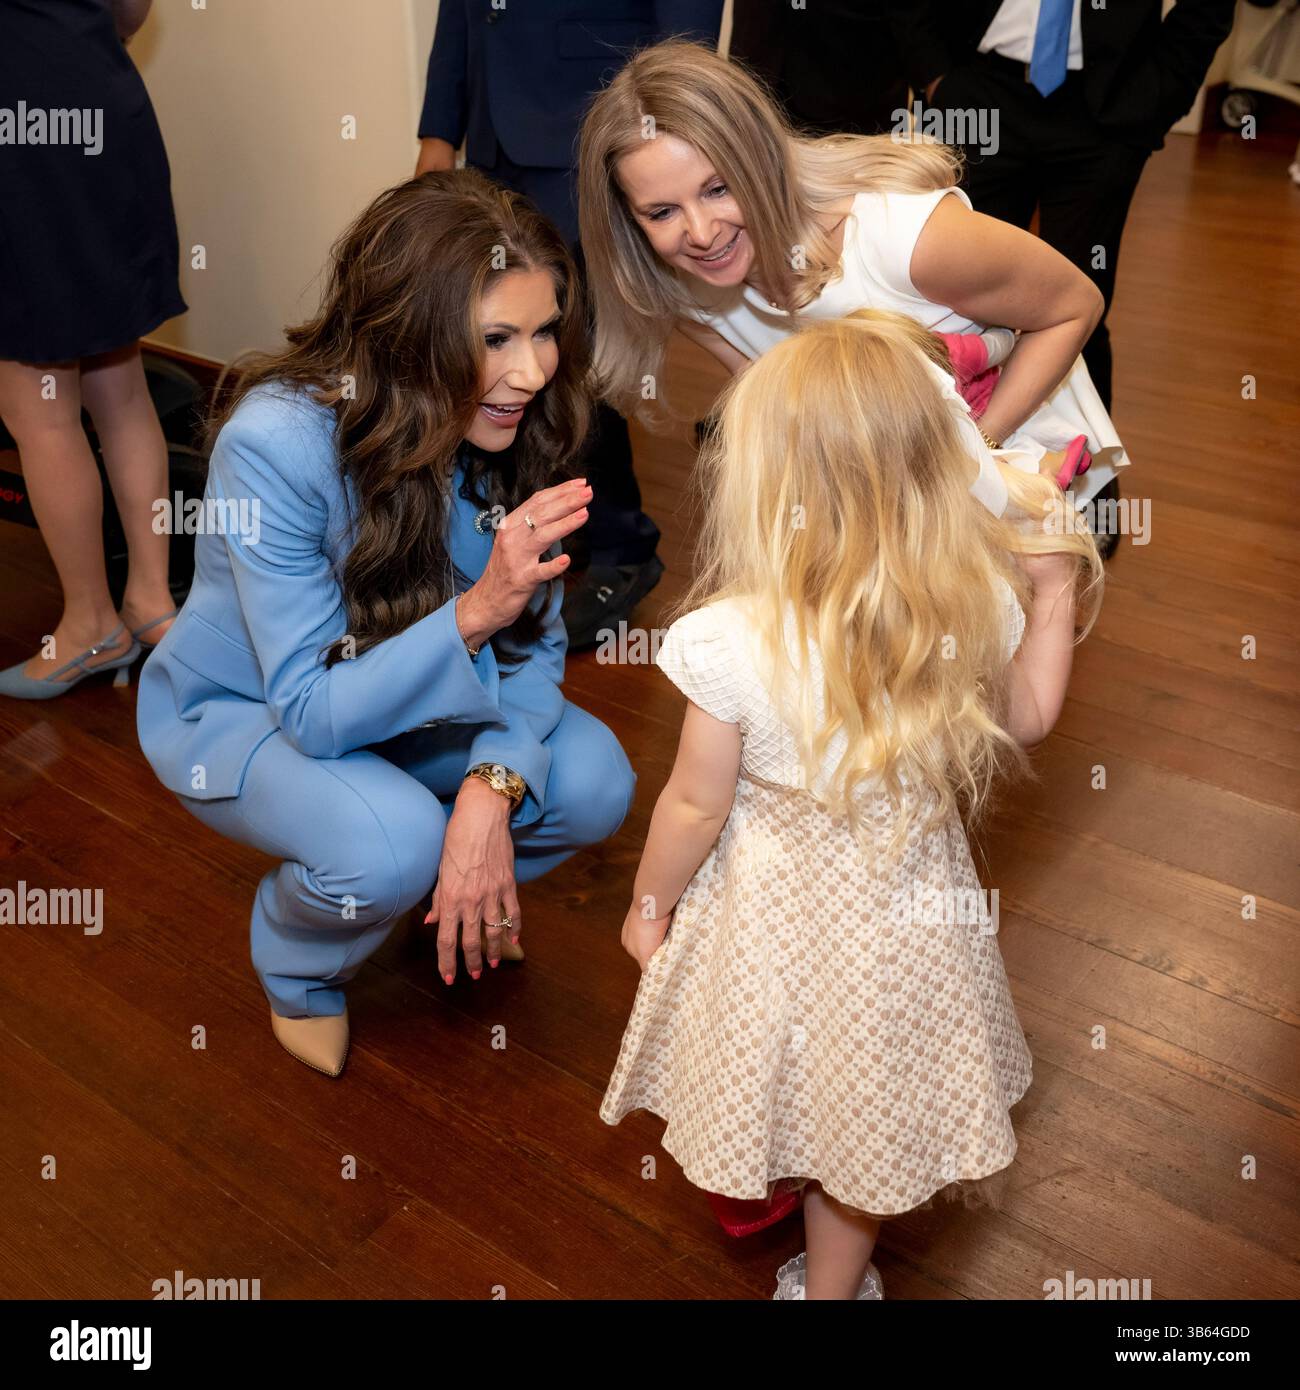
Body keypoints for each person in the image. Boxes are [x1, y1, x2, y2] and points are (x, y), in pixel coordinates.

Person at [600, 309, 1103, 1299]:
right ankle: (829, 1290)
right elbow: (1033, 716)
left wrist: (648, 904)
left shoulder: (728, 640)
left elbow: (695, 808)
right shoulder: (967, 611)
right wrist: (1048, 597)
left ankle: (775, 1173)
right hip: (910, 925)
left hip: (772, 920)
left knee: (778, 1071)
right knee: (861, 1108)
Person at [136, 171, 635, 1078]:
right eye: (495, 340)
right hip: (250, 713)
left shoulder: (517, 420)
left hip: (412, 695)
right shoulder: (274, 445)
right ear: (408, 336)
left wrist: (489, 791)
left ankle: (454, 889)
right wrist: (480, 609)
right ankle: (298, 963)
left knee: (595, 779)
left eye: (543, 330)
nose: (532, 371)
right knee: (390, 841)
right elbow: (314, 711)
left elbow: (537, 648)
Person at [577, 40, 1127, 525]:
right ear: (629, 220)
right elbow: (774, 390)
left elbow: (1075, 304)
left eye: (719, 188)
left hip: (1016, 449)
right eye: (661, 212)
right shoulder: (683, 281)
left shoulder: (902, 238)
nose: (700, 233)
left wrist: (973, 455)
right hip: (889, 485)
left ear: (762, 161)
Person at [416, 1, 725, 647]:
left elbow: (682, 23)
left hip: (589, 132)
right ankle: (549, 528)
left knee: (575, 354)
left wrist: (667, 132)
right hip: (493, 138)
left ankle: (624, 547)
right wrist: (438, 133)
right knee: (497, 346)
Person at [892, 0, 1236, 552]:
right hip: (976, 91)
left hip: (1106, 109)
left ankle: (1085, 480)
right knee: (960, 303)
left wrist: (1154, 98)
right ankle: (949, 474)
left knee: (1080, 303)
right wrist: (935, 76)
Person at [0, 0, 186, 698]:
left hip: (20, 130)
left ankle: (91, 625)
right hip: (98, 102)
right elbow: (132, 6)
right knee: (119, 378)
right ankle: (149, 602)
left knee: (37, 404)